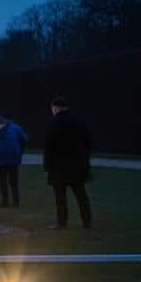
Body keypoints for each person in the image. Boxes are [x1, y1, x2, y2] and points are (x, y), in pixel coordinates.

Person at [44, 96, 93, 229]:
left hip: (58, 168)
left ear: (55, 108)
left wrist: (47, 167)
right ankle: (87, 221)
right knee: (81, 195)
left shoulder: (54, 124)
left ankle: (62, 222)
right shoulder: (80, 122)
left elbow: (49, 147)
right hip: (77, 166)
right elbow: (88, 144)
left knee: (60, 197)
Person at [0, 112, 28, 208]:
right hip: (4, 159)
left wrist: (19, 151)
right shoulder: (13, 128)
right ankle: (9, 202)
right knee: (7, 182)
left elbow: (24, 140)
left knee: (10, 182)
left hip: (9, 159)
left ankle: (11, 202)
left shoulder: (14, 128)